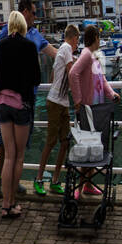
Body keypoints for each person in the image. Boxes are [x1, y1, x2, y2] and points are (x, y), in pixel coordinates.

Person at [0, 0, 56, 199]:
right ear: (25, 12)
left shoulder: (35, 34)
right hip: (13, 96)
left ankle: (13, 184)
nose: (36, 16)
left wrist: (72, 59)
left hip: (26, 99)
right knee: (4, 144)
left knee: (20, 146)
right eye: (34, 12)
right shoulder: (7, 32)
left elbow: (53, 51)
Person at [0, 11, 41, 219]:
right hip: (21, 103)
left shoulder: (1, 45)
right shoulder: (30, 46)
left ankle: (5, 204)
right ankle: (13, 202)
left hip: (3, 102)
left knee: (8, 156)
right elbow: (36, 78)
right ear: (22, 26)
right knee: (18, 156)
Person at [67, 25, 119, 202]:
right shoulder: (87, 54)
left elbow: (102, 79)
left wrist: (112, 94)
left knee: (92, 149)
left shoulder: (94, 57)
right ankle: (80, 188)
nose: (100, 39)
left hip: (95, 110)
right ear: (95, 37)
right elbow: (73, 73)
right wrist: (78, 100)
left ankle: (86, 186)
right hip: (88, 110)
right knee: (88, 151)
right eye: (99, 37)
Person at [34, 24, 80, 195]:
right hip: (56, 103)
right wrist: (77, 99)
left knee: (64, 142)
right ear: (74, 38)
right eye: (77, 41)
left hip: (60, 102)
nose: (77, 45)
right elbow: (71, 73)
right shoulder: (67, 48)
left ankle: (55, 180)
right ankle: (39, 179)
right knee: (52, 141)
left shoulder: (63, 50)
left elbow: (54, 75)